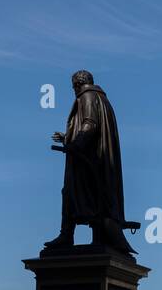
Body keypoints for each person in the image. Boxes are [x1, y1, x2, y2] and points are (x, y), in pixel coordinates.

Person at [45, 70, 134, 254]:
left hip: (86, 161)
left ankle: (66, 235)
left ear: (77, 85)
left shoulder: (87, 96)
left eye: (73, 87)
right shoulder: (102, 100)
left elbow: (90, 124)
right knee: (96, 199)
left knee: (71, 193)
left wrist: (76, 144)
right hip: (96, 161)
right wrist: (68, 137)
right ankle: (97, 238)